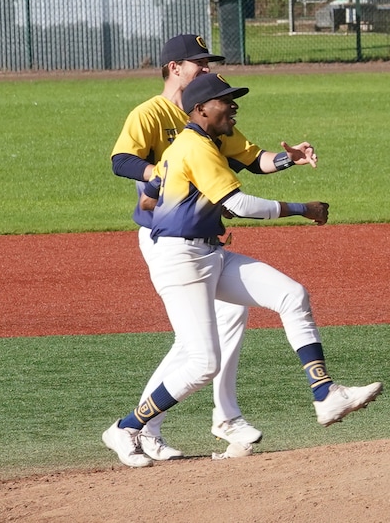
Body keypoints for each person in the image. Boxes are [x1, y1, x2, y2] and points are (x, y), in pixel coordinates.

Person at [102, 72, 383, 468]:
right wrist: (302, 209)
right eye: (225, 101)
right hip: (181, 261)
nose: (234, 106)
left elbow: (151, 197)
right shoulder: (195, 147)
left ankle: (325, 395)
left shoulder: (198, 143)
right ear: (201, 109)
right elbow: (240, 205)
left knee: (291, 294)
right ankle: (126, 428)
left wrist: (175, 207)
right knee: (202, 361)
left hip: (207, 253)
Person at [111, 34, 319, 460]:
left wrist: (289, 158)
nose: (206, 69)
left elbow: (252, 159)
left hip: (205, 237)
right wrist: (165, 173)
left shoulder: (210, 112)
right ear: (175, 68)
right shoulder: (151, 113)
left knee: (227, 322)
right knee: (197, 350)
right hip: (166, 237)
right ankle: (141, 428)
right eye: (199, 63)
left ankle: (223, 418)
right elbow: (121, 160)